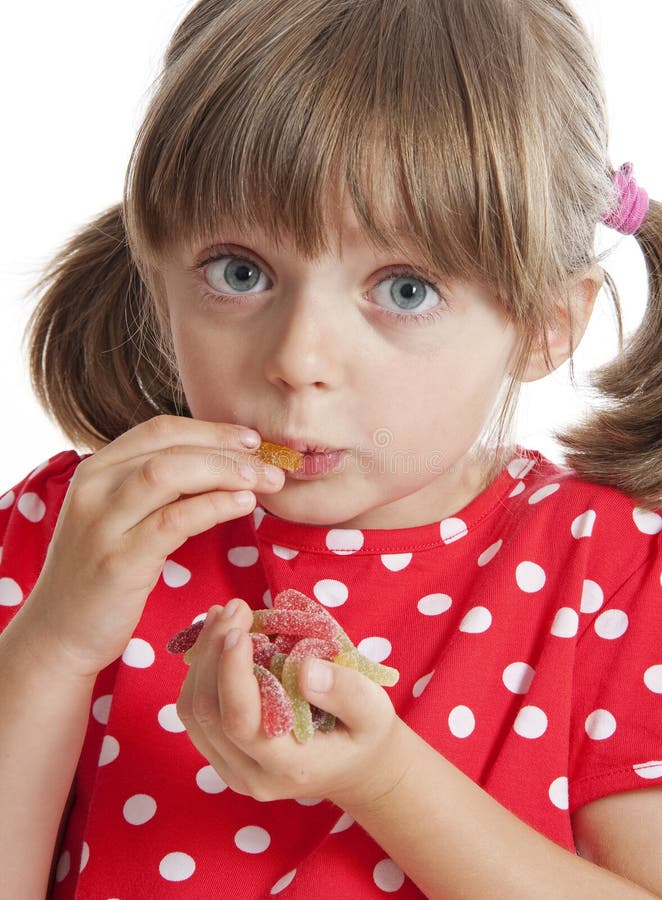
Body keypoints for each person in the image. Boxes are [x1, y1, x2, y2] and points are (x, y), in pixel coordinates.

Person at [1, 0, 661, 896]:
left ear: (547, 326)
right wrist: (54, 647)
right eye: (240, 272)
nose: (297, 361)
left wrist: (381, 777)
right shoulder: (72, 538)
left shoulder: (613, 573)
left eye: (405, 288)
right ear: (157, 278)